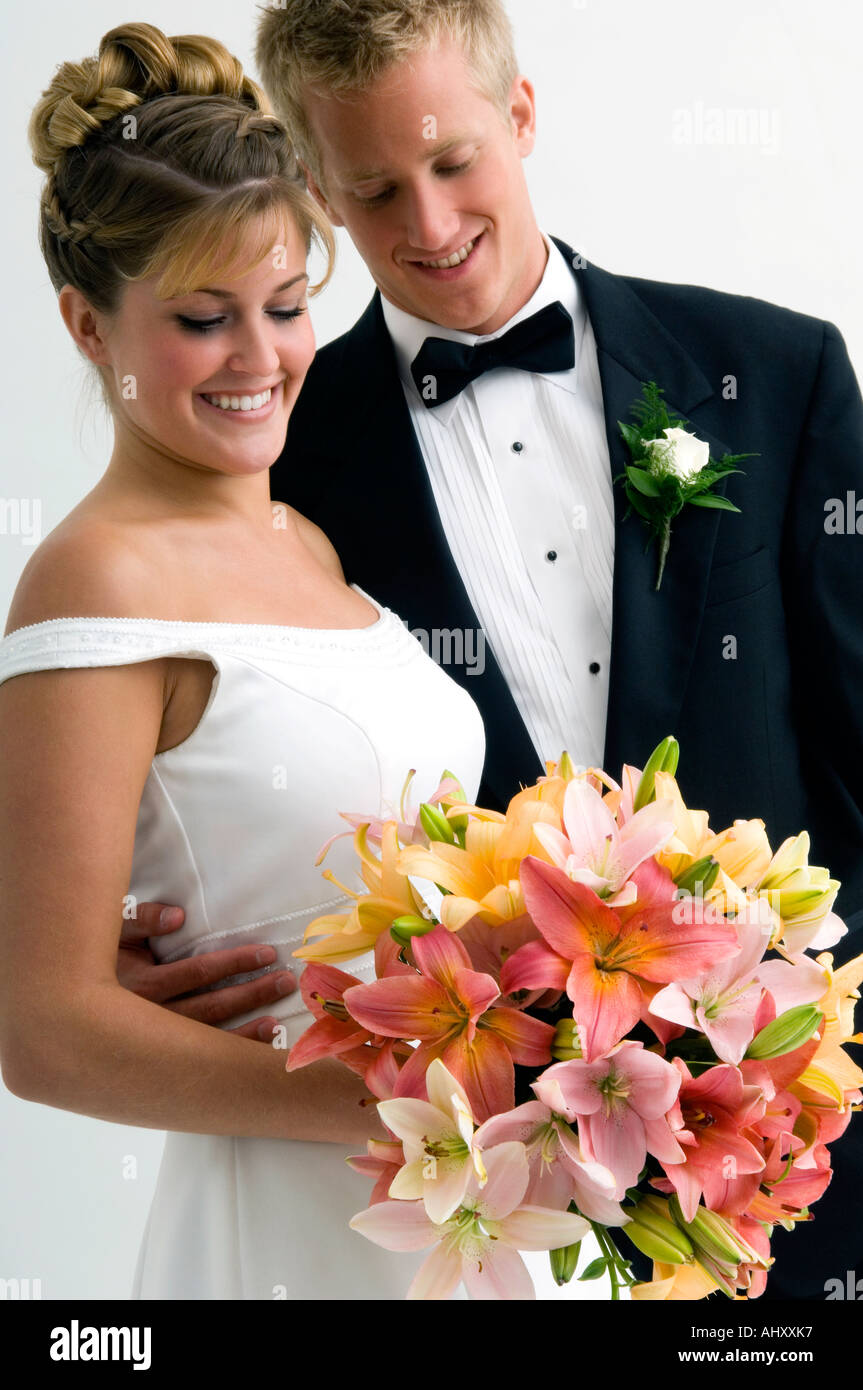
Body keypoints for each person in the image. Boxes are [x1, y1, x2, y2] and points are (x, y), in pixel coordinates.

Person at [118, 1, 863, 1297]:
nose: (424, 223)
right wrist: (132, 930)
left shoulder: (772, 369)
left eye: (453, 161)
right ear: (310, 185)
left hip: (778, 1175)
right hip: (464, 1185)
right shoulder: (281, 461)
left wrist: (786, 1062)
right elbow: (218, 727)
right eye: (371, 187)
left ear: (519, 115)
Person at [0, 21, 485, 1300]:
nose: (262, 360)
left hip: (469, 1188)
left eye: (286, 306)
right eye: (203, 319)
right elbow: (42, 1030)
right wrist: (388, 1110)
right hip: (296, 1206)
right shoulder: (97, 579)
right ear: (86, 324)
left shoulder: (312, 539)